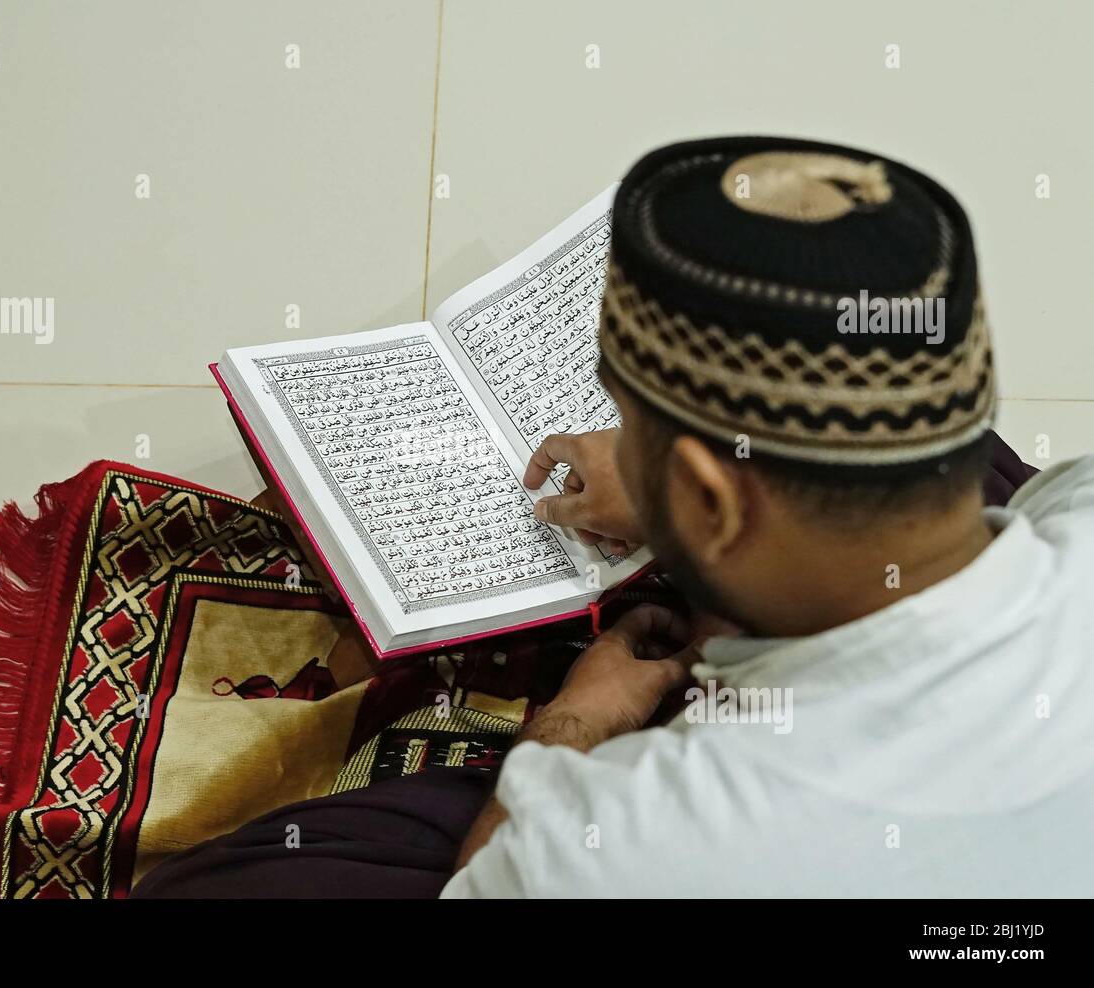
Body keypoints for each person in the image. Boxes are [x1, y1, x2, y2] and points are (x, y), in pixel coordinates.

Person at [442, 136, 1094, 897]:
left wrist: (577, 722)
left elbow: (485, 880)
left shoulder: (635, 850)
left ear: (714, 504)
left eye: (626, 426)